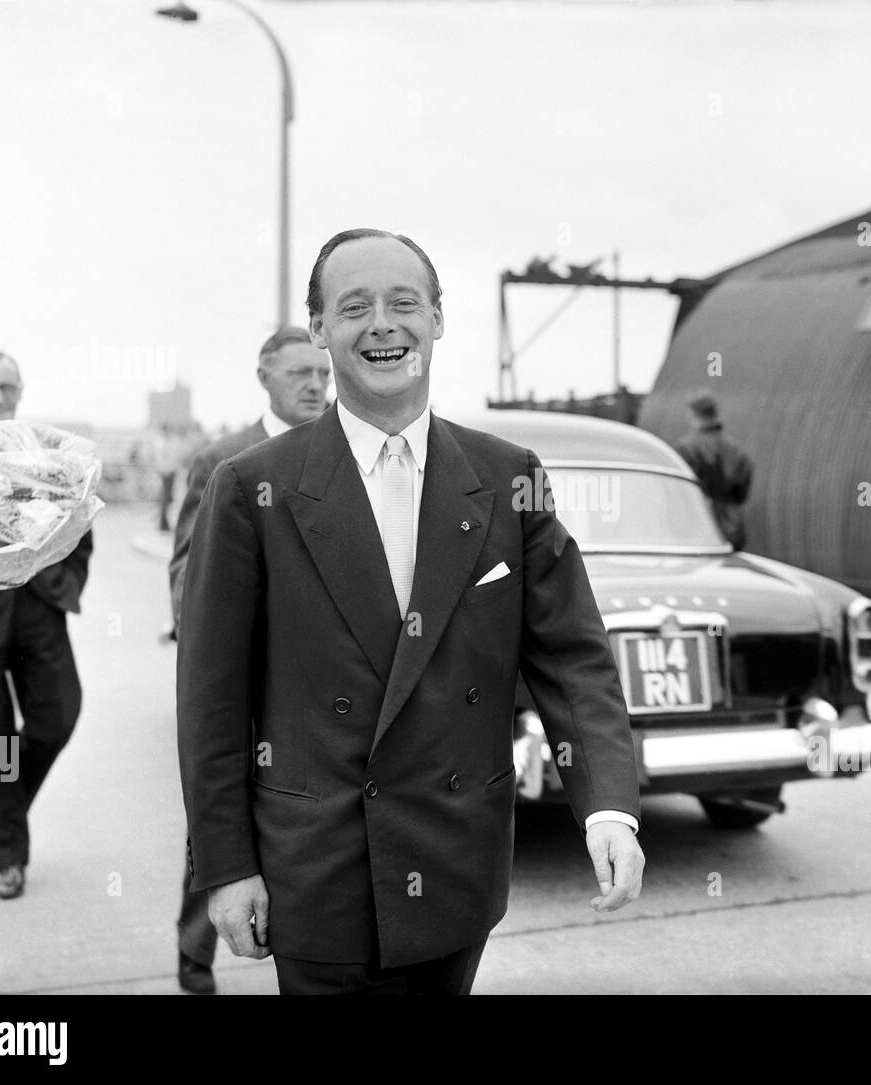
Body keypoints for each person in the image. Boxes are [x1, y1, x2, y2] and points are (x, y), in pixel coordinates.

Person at [177, 229, 645, 995]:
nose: (382, 325)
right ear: (320, 329)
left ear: (437, 317)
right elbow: (211, 699)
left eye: (404, 303)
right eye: (353, 307)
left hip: (456, 864)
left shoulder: (507, 477)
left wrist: (608, 811)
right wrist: (226, 866)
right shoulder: (250, 487)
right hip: (316, 873)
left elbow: (571, 657)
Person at [168, 325, 331, 994]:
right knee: (220, 820)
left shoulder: (343, 451)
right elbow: (187, 567)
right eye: (301, 374)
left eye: (322, 373)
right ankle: (192, 949)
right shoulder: (223, 460)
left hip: (317, 687)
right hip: (243, 682)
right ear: (265, 377)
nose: (317, 384)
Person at [0, 351, 93, 899]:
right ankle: (7, 857)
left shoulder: (48, 453)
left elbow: (81, 520)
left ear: (20, 390)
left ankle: (6, 805)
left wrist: (67, 584)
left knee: (58, 714)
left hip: (40, 604)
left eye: (4, 386)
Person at [675, 389, 754, 550]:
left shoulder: (686, 449)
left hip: (699, 524)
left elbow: (679, 492)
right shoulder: (736, 450)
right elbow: (742, 493)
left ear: (693, 414)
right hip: (733, 526)